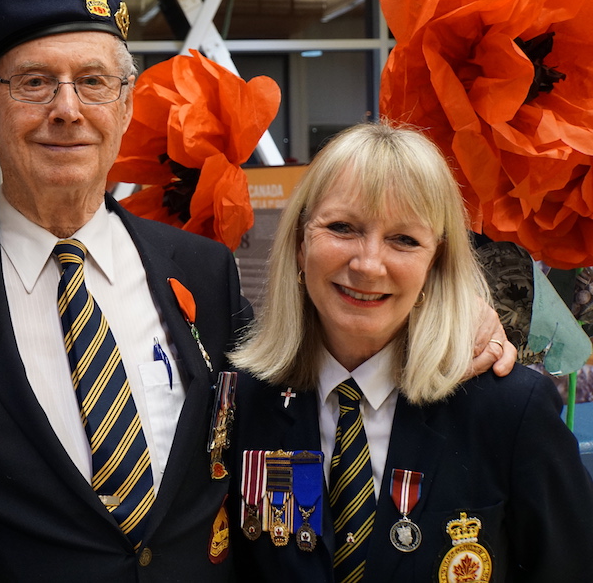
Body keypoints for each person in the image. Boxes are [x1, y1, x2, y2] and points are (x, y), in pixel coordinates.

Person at [0, 0, 513, 582]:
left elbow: (309, 372)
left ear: (123, 106)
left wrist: (451, 318)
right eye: (35, 82)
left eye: (93, 82)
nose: (67, 108)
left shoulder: (203, 271)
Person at [228, 123, 593, 583]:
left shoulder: (509, 409)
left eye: (404, 240)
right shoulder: (242, 404)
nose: (367, 264)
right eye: (342, 228)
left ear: (435, 263)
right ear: (301, 244)